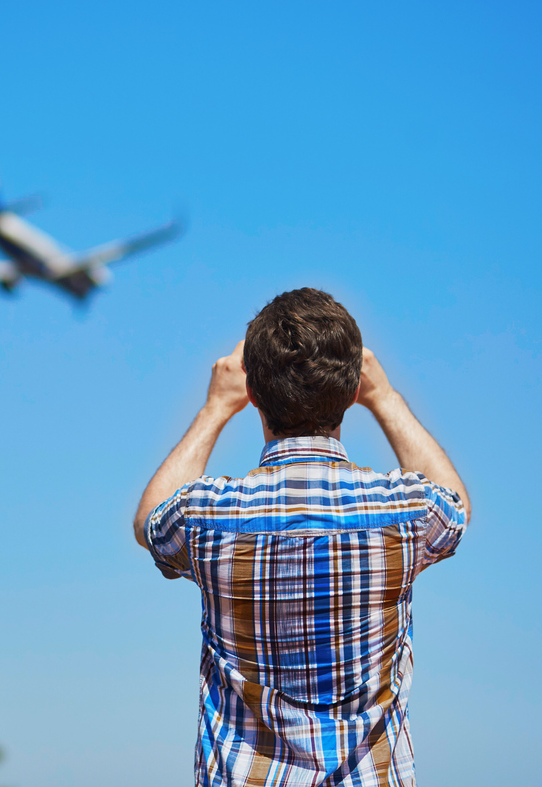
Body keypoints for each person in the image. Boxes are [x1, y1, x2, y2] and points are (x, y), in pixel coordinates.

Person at [134, 288, 470, 787]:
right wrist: (383, 396)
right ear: (351, 387)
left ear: (254, 392)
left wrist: (215, 408)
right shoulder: (405, 512)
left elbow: (149, 522)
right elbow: (456, 505)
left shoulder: (204, 515)